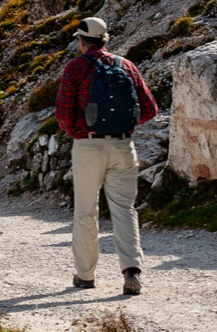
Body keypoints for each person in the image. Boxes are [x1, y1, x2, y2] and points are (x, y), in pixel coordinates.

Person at [56, 16, 158, 296]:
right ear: (106, 39)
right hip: (123, 146)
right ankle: (132, 273)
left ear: (81, 41)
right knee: (125, 208)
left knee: (86, 211)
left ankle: (86, 276)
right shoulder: (126, 66)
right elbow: (150, 109)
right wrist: (124, 127)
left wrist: (79, 130)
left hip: (88, 146)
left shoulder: (75, 67)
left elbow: (63, 114)